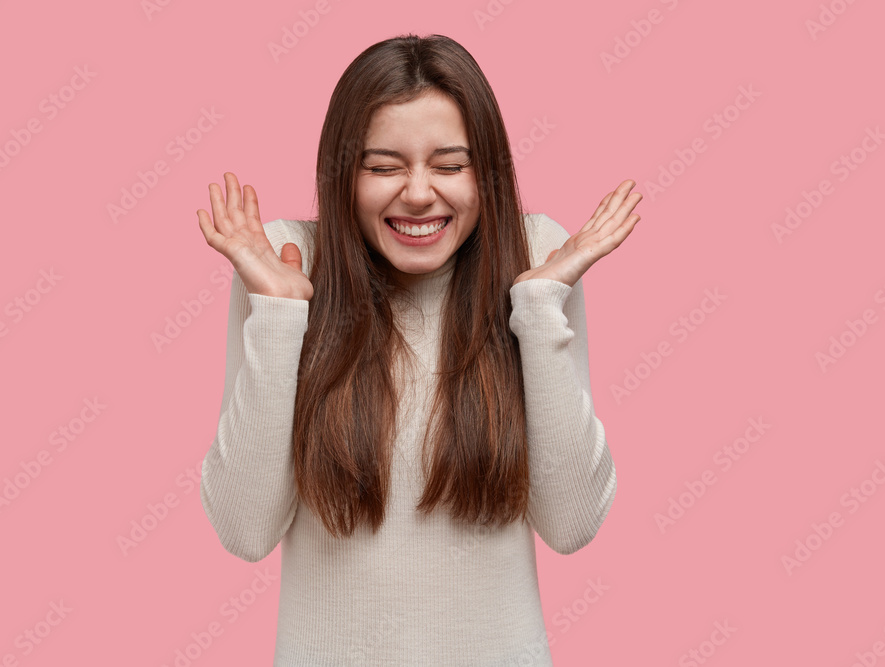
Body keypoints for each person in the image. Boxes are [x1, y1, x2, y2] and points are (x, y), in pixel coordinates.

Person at [196, 33, 641, 666]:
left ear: (487, 173)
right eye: (383, 167)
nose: (418, 193)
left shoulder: (537, 257)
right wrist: (278, 313)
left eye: (450, 165)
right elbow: (244, 530)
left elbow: (571, 524)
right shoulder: (287, 264)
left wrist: (539, 307)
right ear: (342, 175)